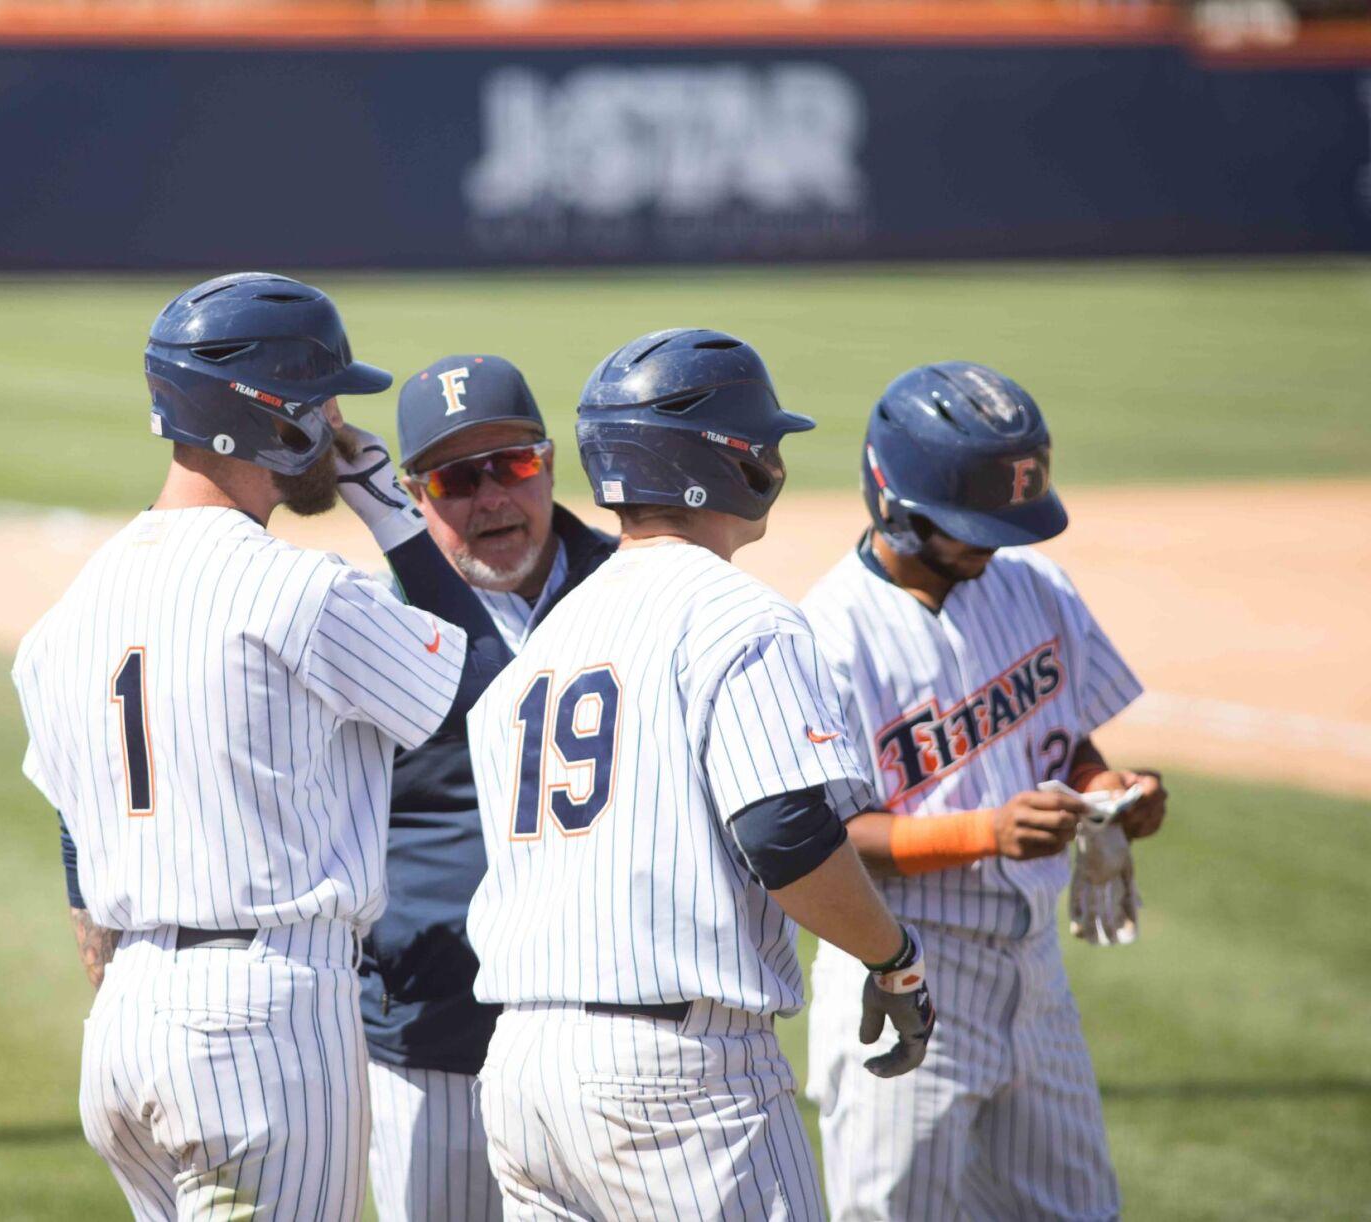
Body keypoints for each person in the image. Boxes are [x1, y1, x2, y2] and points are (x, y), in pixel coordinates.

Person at [10, 273, 507, 1221]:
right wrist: (390, 510)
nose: (337, 423)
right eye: (322, 402)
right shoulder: (298, 592)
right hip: (261, 1023)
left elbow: (75, 827)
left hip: (123, 1023)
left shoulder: (67, 613)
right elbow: (485, 688)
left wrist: (111, 948)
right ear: (269, 417)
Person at [464, 328, 936, 1220]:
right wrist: (893, 959)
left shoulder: (545, 641)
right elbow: (786, 835)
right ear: (725, 459)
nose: (774, 458)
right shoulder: (741, 618)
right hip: (677, 1084)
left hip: (524, 1070)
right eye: (762, 440)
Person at [800, 361, 1168, 1222]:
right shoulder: (824, 636)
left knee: (1076, 1213)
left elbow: (1066, 735)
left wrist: (1108, 786)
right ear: (892, 497)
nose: (993, 542)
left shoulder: (1036, 588)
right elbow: (831, 836)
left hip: (1037, 973)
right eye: (972, 525)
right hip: (905, 974)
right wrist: (988, 833)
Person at [357, 354, 616, 1222]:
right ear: (411, 493)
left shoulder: (636, 592)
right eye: (456, 478)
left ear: (549, 461)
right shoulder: (368, 625)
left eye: (513, 464)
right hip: (435, 1041)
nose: (492, 498)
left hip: (614, 1038)